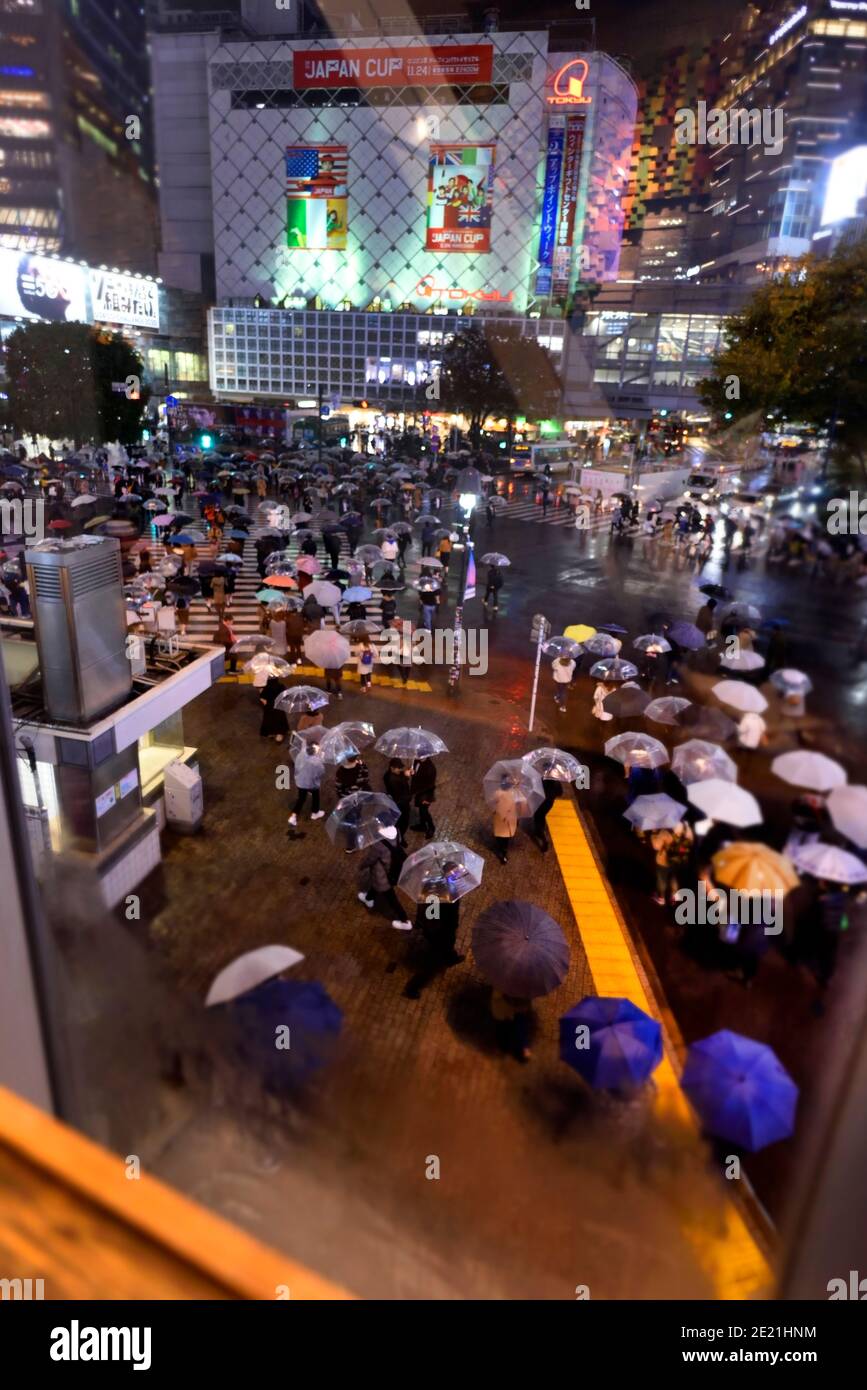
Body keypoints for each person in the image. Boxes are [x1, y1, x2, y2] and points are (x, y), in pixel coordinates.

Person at [357, 826, 412, 930]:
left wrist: (361, 866)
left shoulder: (379, 844)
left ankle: (405, 920)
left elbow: (371, 858)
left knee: (391, 898)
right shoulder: (396, 831)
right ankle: (368, 898)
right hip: (393, 869)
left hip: (383, 874)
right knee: (376, 886)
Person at [288, 745, 326, 826]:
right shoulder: (317, 762)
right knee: (316, 796)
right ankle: (315, 813)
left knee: (301, 799)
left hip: (300, 782)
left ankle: (293, 816)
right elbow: (321, 772)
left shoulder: (301, 755)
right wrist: (321, 759)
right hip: (311, 784)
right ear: (314, 753)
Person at [491, 991, 532, 1062]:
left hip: (518, 1007)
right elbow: (498, 995)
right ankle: (503, 1047)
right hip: (504, 1008)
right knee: (503, 1028)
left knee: (519, 1024)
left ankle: (521, 1046)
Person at [383, 758, 412, 846]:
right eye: (398, 768)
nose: (400, 770)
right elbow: (401, 792)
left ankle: (400, 837)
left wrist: (404, 774)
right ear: (392, 768)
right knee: (402, 822)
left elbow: (400, 778)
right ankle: (400, 838)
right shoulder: (392, 780)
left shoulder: (388, 775)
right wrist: (406, 777)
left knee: (398, 823)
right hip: (400, 805)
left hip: (396, 804)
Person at [532, 776, 562, 851]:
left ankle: (542, 837)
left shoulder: (542, 781)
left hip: (540, 803)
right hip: (549, 804)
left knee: (538, 817)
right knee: (542, 816)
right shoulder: (556, 782)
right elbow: (560, 793)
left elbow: (535, 790)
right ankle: (540, 829)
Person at [492, 784, 519, 864]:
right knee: (505, 839)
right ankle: (503, 853)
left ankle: (502, 850)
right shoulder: (515, 794)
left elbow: (493, 804)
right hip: (509, 820)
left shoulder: (497, 793)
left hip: (500, 819)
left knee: (499, 836)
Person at [411, 756, 437, 839]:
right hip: (418, 791)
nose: (416, 756)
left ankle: (431, 827)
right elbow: (416, 774)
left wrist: (427, 799)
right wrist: (413, 773)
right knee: (421, 810)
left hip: (425, 795)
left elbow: (431, 786)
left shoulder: (431, 769)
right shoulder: (416, 760)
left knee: (424, 811)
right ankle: (422, 825)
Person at [259, 674, 287, 743]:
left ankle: (269, 732)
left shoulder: (266, 687)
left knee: (268, 719)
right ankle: (279, 734)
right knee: (279, 720)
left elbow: (262, 698)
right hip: (279, 706)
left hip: (269, 707)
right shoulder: (281, 686)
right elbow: (285, 696)